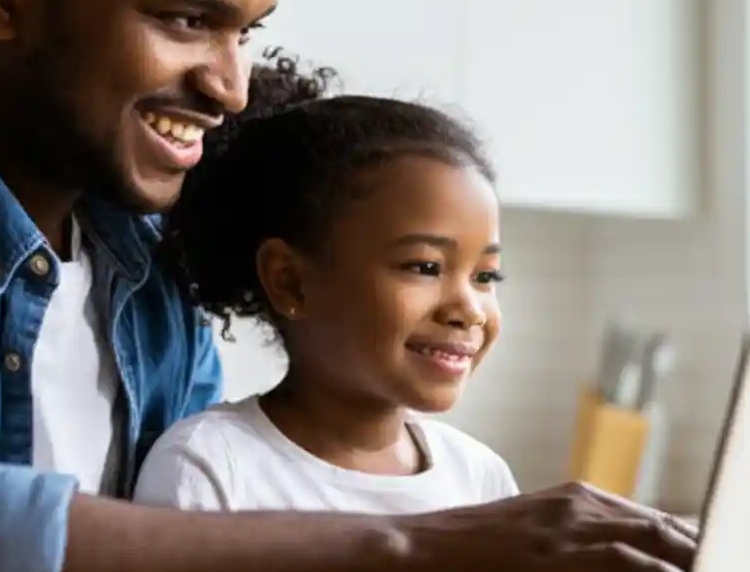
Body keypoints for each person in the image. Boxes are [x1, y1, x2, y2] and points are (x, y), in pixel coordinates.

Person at [0, 0, 696, 572]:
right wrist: (411, 551)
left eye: (248, 34)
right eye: (187, 18)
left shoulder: (148, 258)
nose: (230, 88)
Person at [134, 63, 519, 514]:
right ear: (291, 283)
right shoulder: (211, 467)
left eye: (485, 276)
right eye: (425, 266)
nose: (469, 310)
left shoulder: (480, 479)